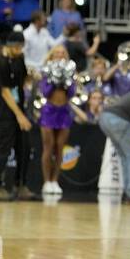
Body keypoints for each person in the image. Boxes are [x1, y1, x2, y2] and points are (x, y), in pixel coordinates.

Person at [0, 30, 36, 201]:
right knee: (3, 148)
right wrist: (19, 115)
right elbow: (5, 92)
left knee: (24, 147)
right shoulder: (1, 63)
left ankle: (20, 185)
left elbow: (22, 81)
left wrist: (31, 77)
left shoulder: (20, 58)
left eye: (21, 47)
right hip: (5, 111)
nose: (19, 50)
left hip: (19, 108)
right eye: (16, 47)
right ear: (8, 46)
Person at [37, 44, 77, 197]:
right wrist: (55, 80)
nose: (60, 55)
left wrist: (66, 80)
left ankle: (55, 181)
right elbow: (45, 92)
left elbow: (72, 92)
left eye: (62, 53)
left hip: (64, 111)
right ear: (52, 56)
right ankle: (46, 181)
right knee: (48, 146)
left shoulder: (70, 70)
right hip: (49, 111)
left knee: (60, 147)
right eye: (57, 53)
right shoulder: (46, 70)